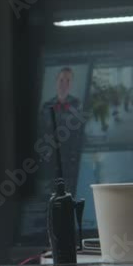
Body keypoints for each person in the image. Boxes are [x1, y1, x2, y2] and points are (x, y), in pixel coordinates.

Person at [38, 67, 86, 196]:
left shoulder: (77, 105)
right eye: (61, 80)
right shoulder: (46, 106)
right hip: (50, 162)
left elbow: (79, 134)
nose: (64, 84)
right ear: (56, 82)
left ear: (71, 84)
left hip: (70, 163)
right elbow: (41, 133)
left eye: (68, 81)